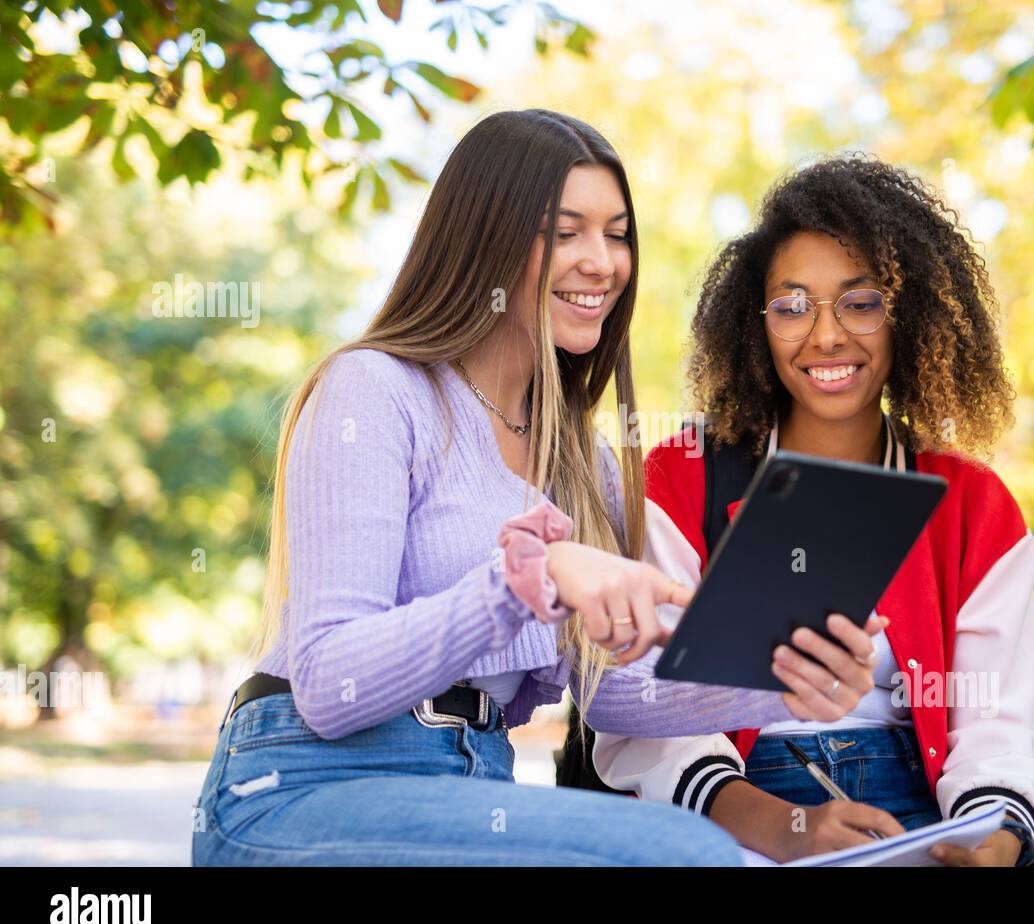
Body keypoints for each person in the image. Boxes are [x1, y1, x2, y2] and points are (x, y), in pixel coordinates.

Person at [190, 111, 885, 867]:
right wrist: (524, 582)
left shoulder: (583, 462)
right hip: (300, 789)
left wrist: (780, 681)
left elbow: (614, 695)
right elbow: (330, 683)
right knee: (680, 853)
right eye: (567, 231)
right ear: (482, 235)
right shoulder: (375, 391)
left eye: (618, 234)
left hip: (471, 783)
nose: (603, 262)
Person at [593, 156, 1034, 866]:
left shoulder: (973, 504)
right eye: (791, 305)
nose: (827, 334)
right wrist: (783, 828)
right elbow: (645, 710)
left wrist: (994, 838)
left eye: (860, 301)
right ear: (756, 324)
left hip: (922, 811)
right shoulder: (679, 477)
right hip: (733, 808)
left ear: (911, 314)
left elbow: (996, 717)